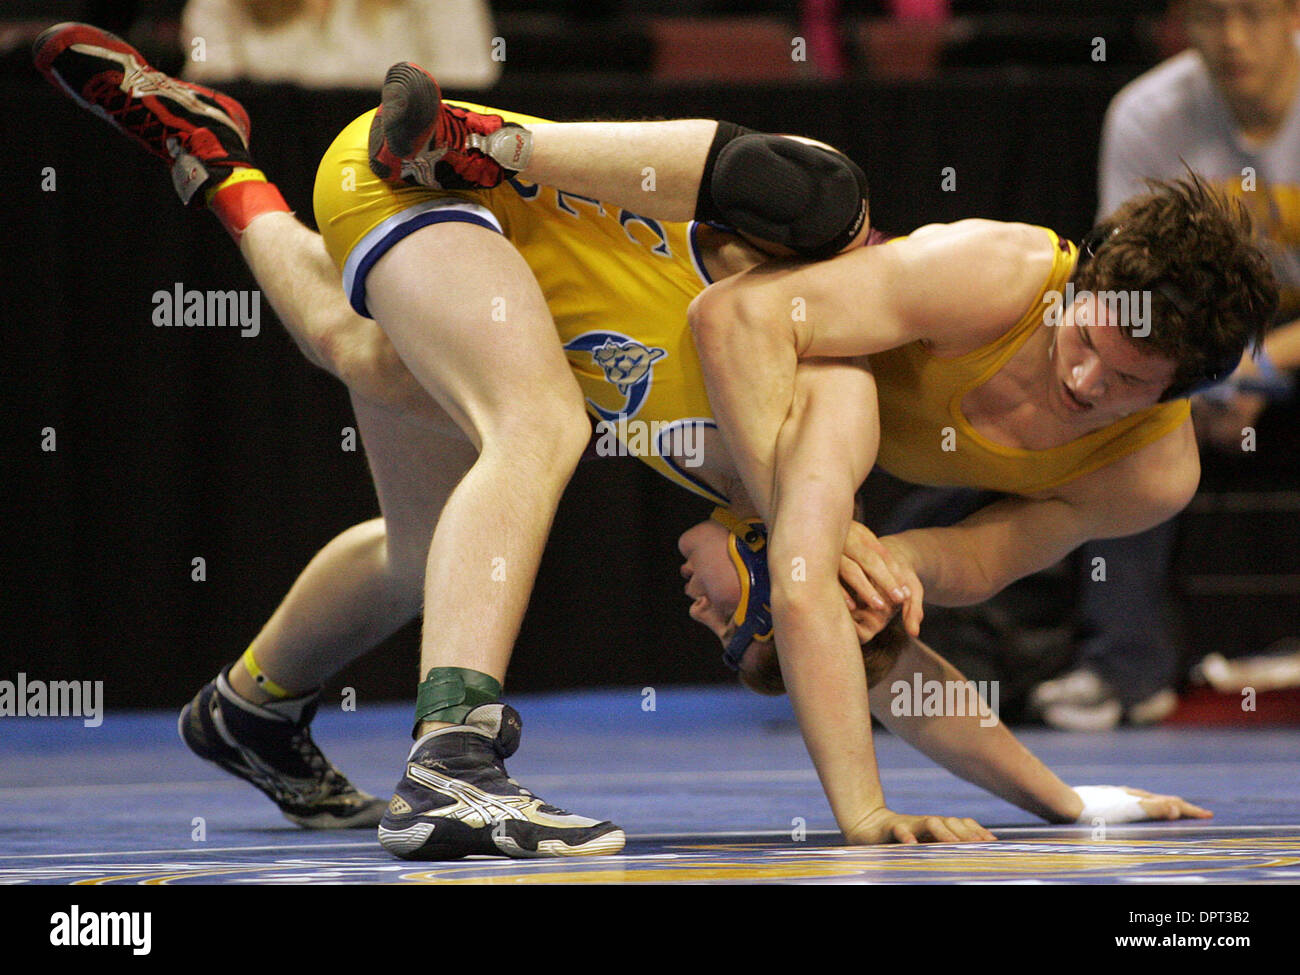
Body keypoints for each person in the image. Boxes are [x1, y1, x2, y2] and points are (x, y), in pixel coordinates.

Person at [35, 24, 1231, 857]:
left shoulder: (816, 504)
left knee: (415, 509)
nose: (698, 609)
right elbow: (734, 327)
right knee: (778, 235)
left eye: (716, 634)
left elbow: (886, 637)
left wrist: (1063, 804)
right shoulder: (838, 416)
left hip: (480, 270)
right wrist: (861, 806)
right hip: (446, 186)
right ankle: (452, 758)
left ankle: (223, 176)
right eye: (733, 618)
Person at [1032, 0, 1300, 729]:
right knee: (1115, 402)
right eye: (1210, 17)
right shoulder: (1147, 112)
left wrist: (1258, 365)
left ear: (1292, 14)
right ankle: (1123, 670)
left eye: (1250, 13)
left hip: (1277, 346)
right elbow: (1127, 283)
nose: (1231, 38)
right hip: (1196, 340)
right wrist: (1203, 372)